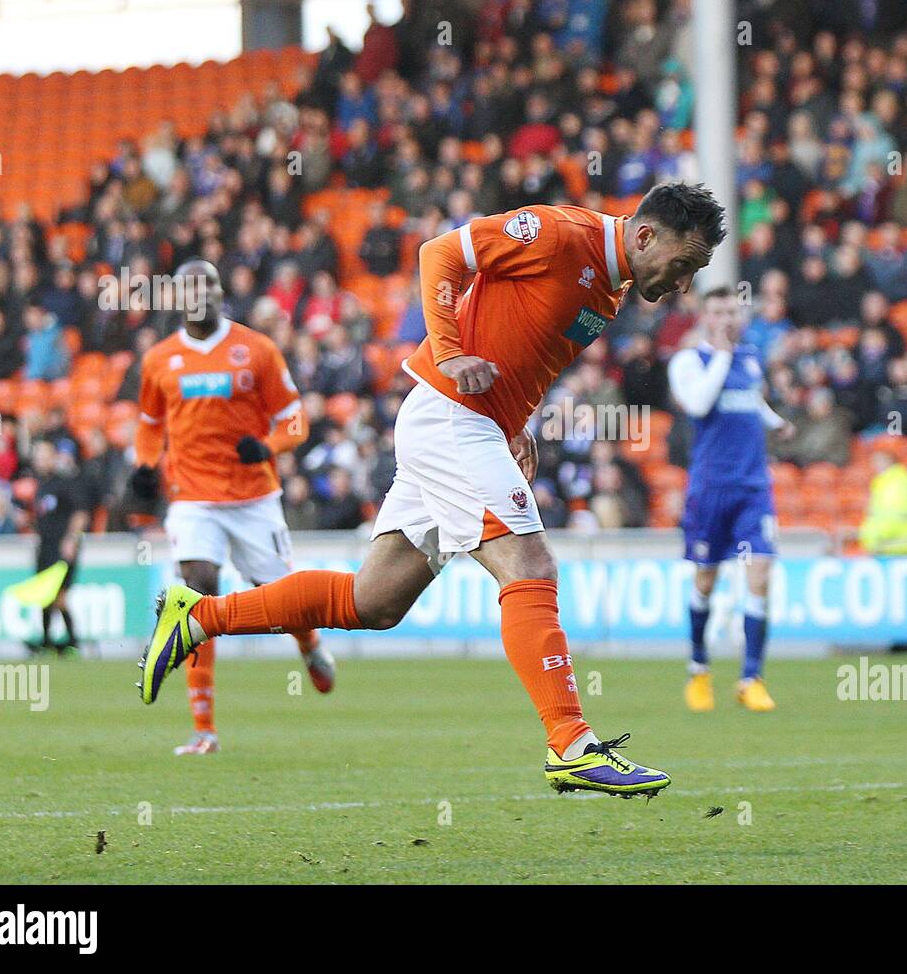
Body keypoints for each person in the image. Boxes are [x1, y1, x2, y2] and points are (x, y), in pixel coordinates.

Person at [138, 182, 727, 797]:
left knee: (374, 602)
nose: (683, 283)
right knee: (529, 563)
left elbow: (521, 341)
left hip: (469, 424)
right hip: (451, 417)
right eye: (684, 265)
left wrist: (516, 420)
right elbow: (439, 253)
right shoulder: (555, 234)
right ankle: (571, 744)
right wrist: (447, 354)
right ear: (645, 235)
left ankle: (199, 615)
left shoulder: (612, 285)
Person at [129, 259, 336, 756]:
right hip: (193, 499)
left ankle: (309, 645)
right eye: (189, 288)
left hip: (253, 499)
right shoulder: (159, 360)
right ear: (176, 298)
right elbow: (149, 422)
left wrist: (268, 448)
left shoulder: (257, 350)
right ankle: (205, 729)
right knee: (196, 596)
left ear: (222, 293)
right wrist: (142, 463)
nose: (199, 295)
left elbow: (295, 420)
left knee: (281, 599)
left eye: (209, 285)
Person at [668, 288, 792, 713]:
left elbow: (750, 400)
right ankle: (699, 667)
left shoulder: (750, 359)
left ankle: (751, 677)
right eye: (718, 311)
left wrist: (776, 423)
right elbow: (699, 404)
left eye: (732, 312)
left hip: (753, 487)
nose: (726, 319)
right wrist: (720, 354)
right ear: (704, 316)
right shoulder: (689, 362)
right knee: (706, 579)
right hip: (709, 488)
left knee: (760, 574)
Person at [28, 439, 89, 655]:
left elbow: (81, 512)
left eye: (43, 456)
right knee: (46, 593)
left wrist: (71, 539)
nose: (39, 461)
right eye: (37, 457)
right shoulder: (42, 485)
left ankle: (72, 641)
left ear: (54, 457)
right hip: (45, 546)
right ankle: (47, 640)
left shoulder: (66, 482)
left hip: (61, 546)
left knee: (58, 593)